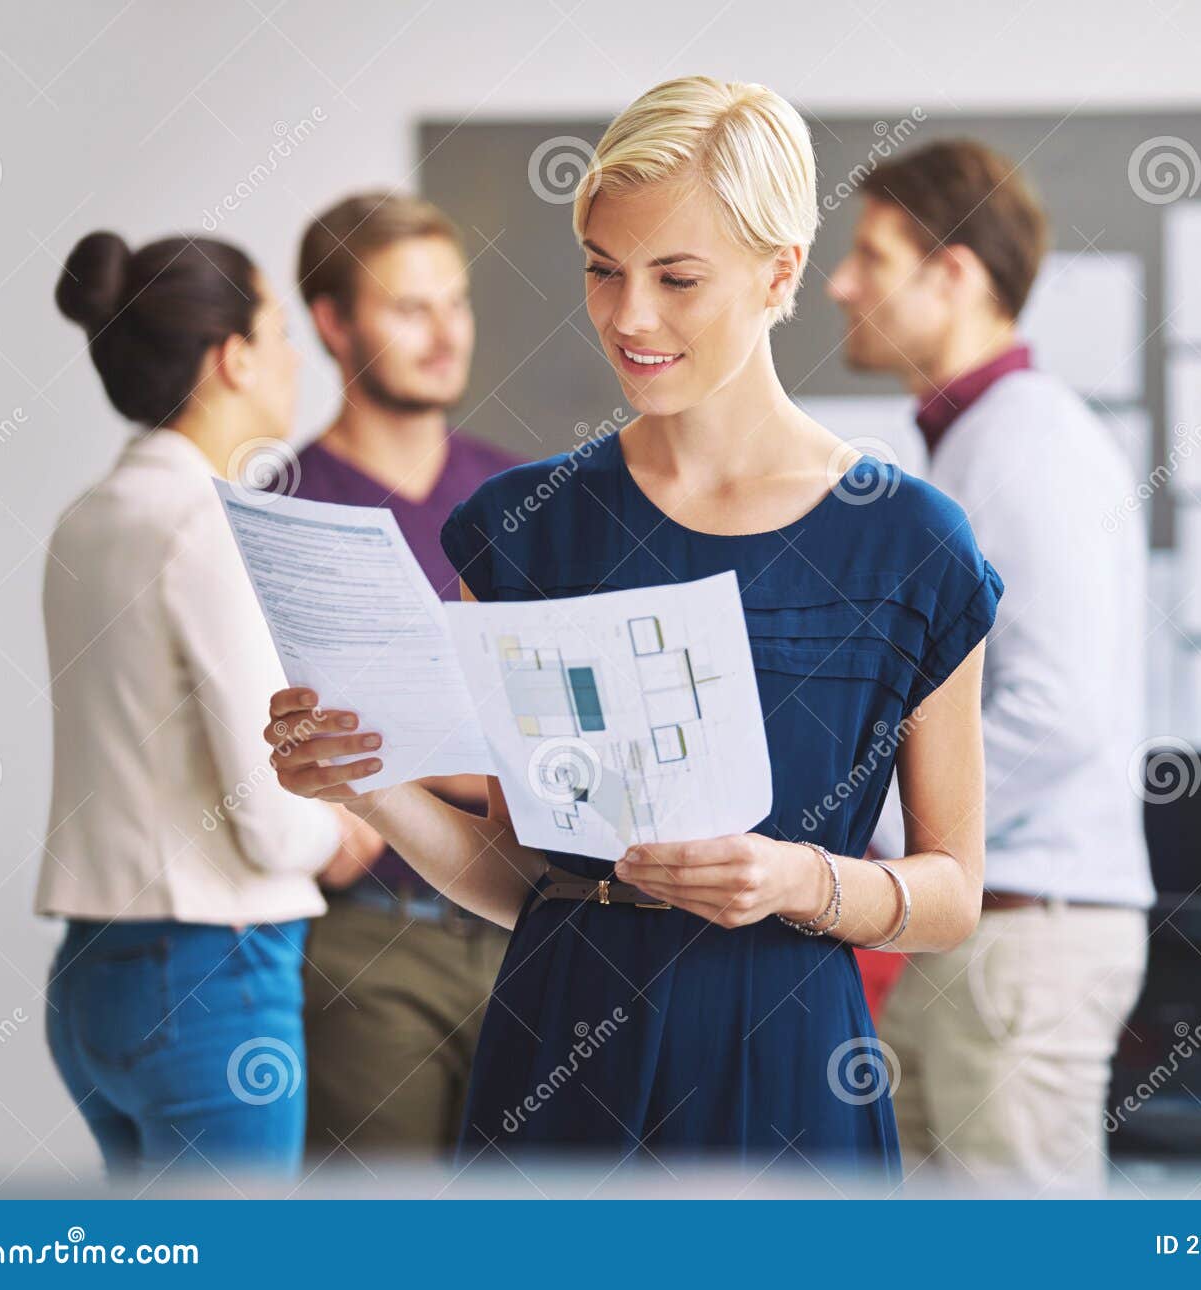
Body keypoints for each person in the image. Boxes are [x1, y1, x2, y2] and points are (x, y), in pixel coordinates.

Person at [262, 76, 1003, 1182]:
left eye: (676, 278)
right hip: (555, 1062)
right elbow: (522, 875)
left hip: (783, 1062)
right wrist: (368, 786)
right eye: (604, 271)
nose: (628, 317)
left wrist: (802, 882)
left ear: (779, 272)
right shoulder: (523, 529)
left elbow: (951, 894)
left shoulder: (908, 544)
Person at [826, 139, 1155, 1193]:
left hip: (1022, 937)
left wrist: (873, 837)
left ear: (954, 274)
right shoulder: (977, 441)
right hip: (974, 933)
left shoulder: (1026, 445)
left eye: (871, 257)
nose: (840, 284)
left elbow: (1057, 712)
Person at [37, 230, 371, 1180]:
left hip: (92, 978)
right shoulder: (210, 525)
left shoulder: (90, 518)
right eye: (277, 330)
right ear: (232, 360)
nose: (295, 356)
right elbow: (274, 823)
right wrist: (343, 826)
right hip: (212, 981)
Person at [289, 192, 524, 1168]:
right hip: (369, 949)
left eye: (455, 304)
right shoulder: (281, 509)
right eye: (408, 308)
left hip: (533, 938)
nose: (444, 334)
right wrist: (476, 758)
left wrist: (399, 761)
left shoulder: (526, 495)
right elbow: (278, 755)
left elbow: (564, 745)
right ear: (332, 323)